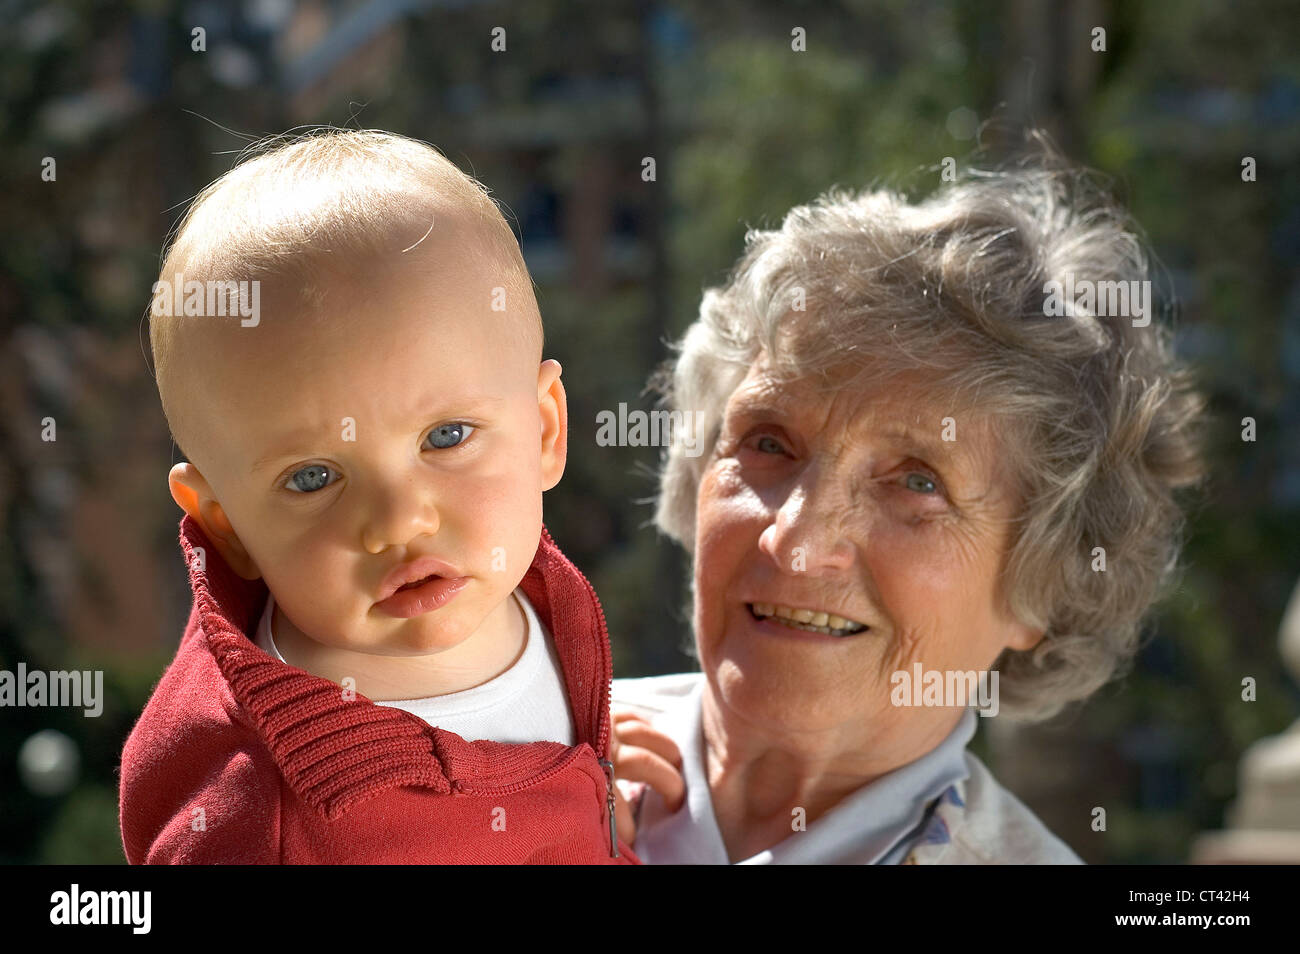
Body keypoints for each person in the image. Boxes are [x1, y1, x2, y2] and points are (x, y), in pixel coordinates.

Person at [610, 139, 1208, 864]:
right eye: (768, 443)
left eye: (918, 482)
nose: (795, 542)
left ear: (1042, 588)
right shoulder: (495, 753)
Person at [120, 129, 635, 863]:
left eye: (447, 437)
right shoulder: (261, 825)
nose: (401, 521)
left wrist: (598, 797)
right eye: (312, 478)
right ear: (225, 524)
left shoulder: (523, 583)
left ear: (544, 430)